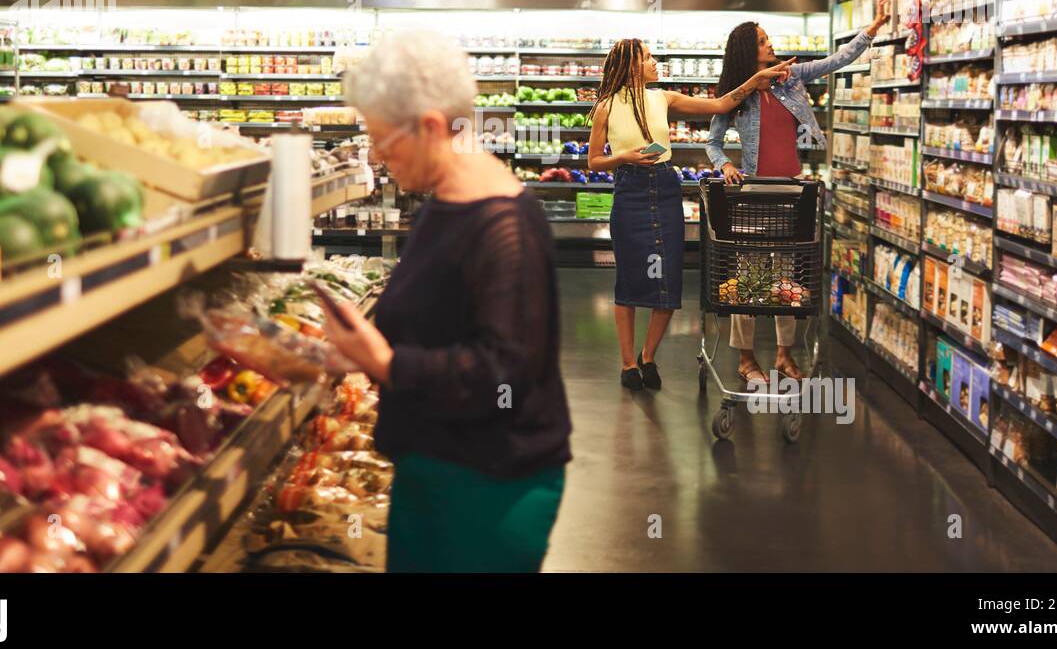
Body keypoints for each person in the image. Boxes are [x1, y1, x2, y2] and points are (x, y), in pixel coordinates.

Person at [322, 29, 572, 573]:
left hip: (488, 488)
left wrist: (388, 363)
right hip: (439, 466)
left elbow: (504, 374)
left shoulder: (505, 227)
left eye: (384, 144)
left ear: (432, 127)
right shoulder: (446, 201)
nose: (379, 159)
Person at [587, 38, 792, 391]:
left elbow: (720, 103)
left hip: (665, 187)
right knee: (630, 279)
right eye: (649, 58)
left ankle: (648, 356)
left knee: (667, 277)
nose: (655, 63)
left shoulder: (663, 97)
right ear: (632, 65)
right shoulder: (606, 106)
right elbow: (593, 161)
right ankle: (627, 363)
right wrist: (625, 158)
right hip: (630, 190)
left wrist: (755, 81)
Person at [706, 14, 888, 384]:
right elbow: (713, 141)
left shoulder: (791, 79)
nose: (770, 44)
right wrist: (725, 164)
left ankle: (783, 356)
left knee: (787, 280)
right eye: (762, 40)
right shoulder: (736, 95)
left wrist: (871, 30)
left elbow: (837, 60)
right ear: (746, 51)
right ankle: (746, 360)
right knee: (749, 279)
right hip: (754, 191)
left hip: (791, 190)